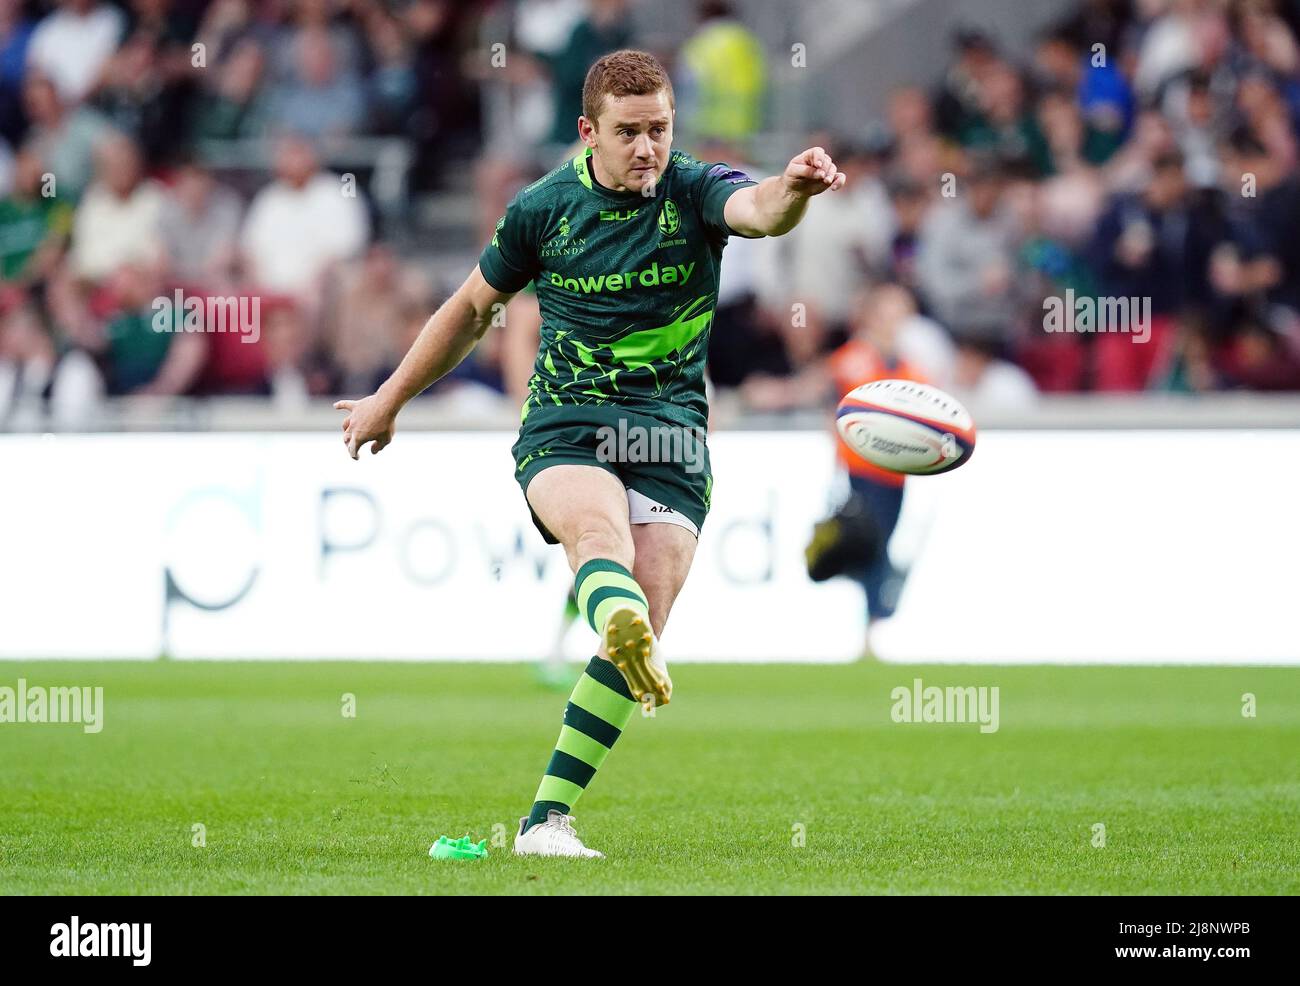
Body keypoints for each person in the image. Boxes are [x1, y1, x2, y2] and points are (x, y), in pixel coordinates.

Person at [334, 49, 846, 859]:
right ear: (588, 132)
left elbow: (759, 210)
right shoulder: (542, 209)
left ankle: (546, 820)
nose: (647, 148)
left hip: (671, 430)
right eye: (629, 133)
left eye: (659, 130)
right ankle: (618, 624)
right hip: (569, 420)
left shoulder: (693, 187)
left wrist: (798, 190)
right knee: (597, 541)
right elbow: (471, 309)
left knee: (648, 604)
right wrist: (387, 399)